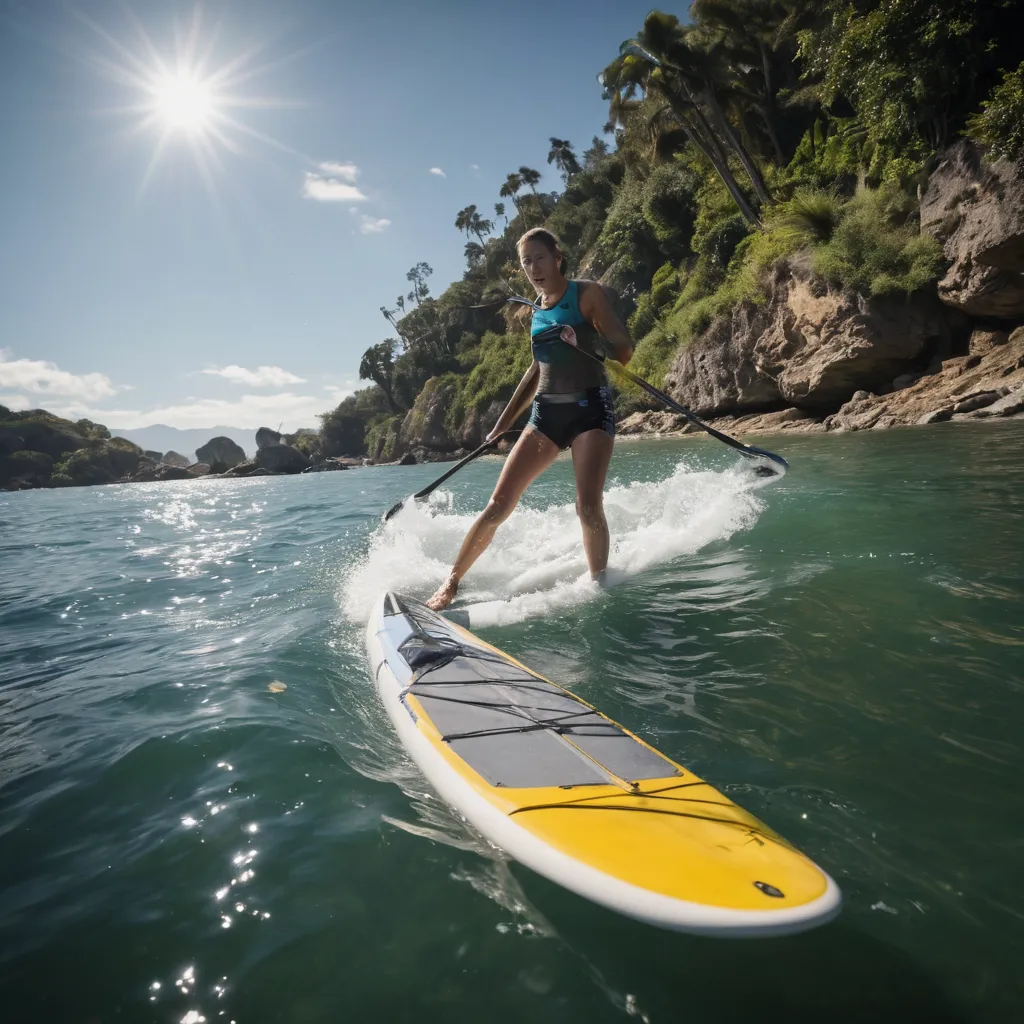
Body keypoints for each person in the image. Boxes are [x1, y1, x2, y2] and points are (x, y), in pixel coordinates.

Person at [426, 228, 635, 611]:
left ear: (557, 256)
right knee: (497, 506)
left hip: (590, 408)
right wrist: (503, 423)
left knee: (587, 507)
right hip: (546, 415)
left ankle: (599, 586)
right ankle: (451, 582)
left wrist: (588, 341)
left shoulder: (587, 294)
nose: (533, 268)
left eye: (539, 257)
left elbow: (624, 350)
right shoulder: (536, 311)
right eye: (525, 262)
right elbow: (537, 368)